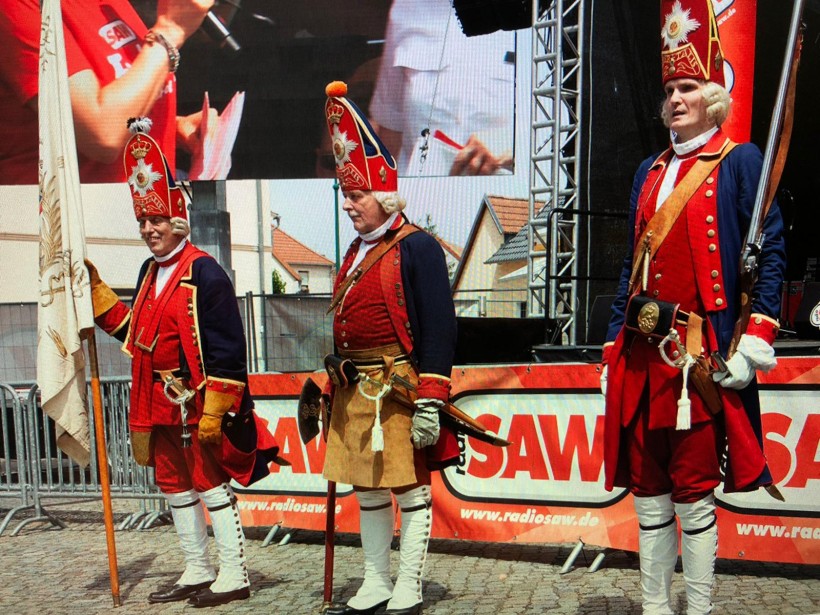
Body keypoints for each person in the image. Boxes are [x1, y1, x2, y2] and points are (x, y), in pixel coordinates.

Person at [600, 2, 786, 614]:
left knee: (694, 498)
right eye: (671, 90)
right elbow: (631, 267)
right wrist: (612, 345)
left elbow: (770, 250)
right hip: (640, 359)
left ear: (714, 97)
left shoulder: (741, 161)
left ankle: (698, 610)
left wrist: (755, 339)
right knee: (648, 496)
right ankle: (656, 608)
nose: (676, 99)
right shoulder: (648, 171)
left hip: (694, 361)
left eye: (688, 88)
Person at [87, 117, 281, 608]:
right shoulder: (148, 271)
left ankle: (234, 575)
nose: (148, 230)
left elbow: (228, 351)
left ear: (178, 221)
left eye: (156, 221)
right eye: (143, 222)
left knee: (211, 486)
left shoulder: (206, 273)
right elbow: (139, 335)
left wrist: (216, 411)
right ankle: (197, 568)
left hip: (198, 405)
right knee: (174, 486)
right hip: (158, 404)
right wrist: (97, 296)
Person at [322, 81, 459, 615]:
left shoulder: (419, 247)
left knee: (411, 491)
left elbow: (440, 329)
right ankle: (377, 579)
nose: (347, 204)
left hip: (399, 388)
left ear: (383, 195)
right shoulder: (354, 252)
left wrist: (431, 400)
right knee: (368, 490)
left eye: (356, 195)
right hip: (355, 388)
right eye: (345, 194)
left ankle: (409, 585)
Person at [0, 0, 215, 184]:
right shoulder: (20, 6)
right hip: (81, 214)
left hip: (145, 207)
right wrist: (171, 30)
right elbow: (102, 136)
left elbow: (118, 94)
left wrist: (171, 127)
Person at [368, 0, 515, 176]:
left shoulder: (531, 11)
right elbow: (390, 130)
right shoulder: (407, 7)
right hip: (422, 188)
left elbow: (544, 127)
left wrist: (502, 145)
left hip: (507, 187)